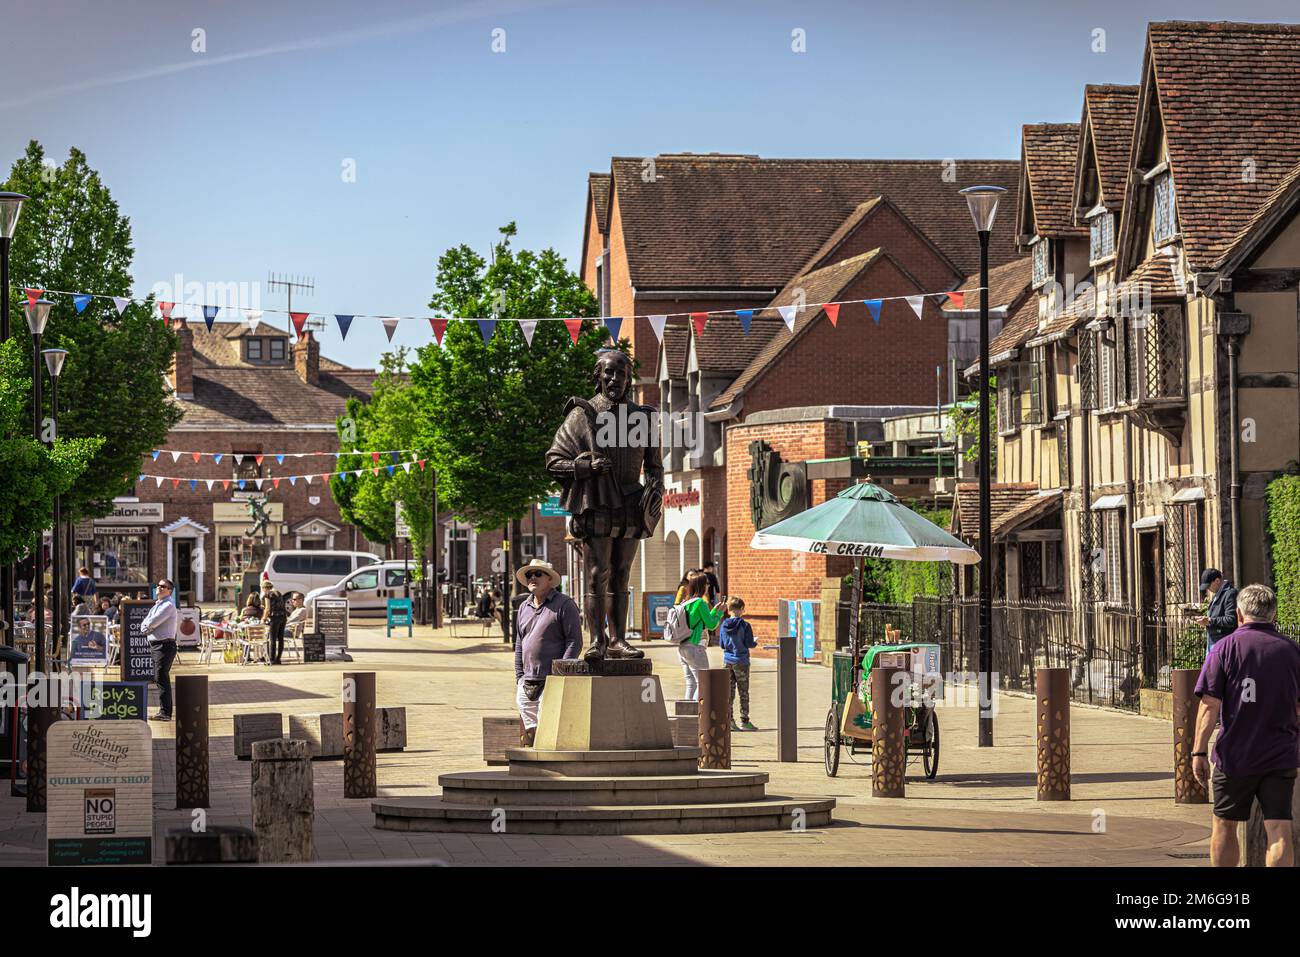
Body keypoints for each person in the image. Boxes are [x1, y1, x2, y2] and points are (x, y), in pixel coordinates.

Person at [1192, 584, 1300, 868]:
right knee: (1278, 827)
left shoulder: (1224, 649)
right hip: (1280, 754)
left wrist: (1198, 752)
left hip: (1235, 755)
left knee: (1224, 824)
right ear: (1274, 616)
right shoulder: (1292, 651)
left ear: (1239, 615)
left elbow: (1209, 706)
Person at [512, 559, 581, 747]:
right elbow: (520, 642)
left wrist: (561, 672)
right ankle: (535, 758)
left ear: (550, 579)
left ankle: (546, 759)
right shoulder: (524, 607)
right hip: (527, 679)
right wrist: (519, 675)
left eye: (538, 574)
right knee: (530, 726)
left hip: (552, 678)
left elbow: (574, 641)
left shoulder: (564, 604)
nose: (532, 578)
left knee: (548, 726)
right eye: (529, 575)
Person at [676, 571, 727, 701]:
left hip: (682, 647)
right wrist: (720, 613)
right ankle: (697, 715)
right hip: (695, 647)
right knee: (704, 683)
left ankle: (687, 716)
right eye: (707, 584)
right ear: (702, 586)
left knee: (691, 684)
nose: (708, 586)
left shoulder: (686, 603)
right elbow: (711, 625)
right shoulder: (700, 603)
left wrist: (714, 610)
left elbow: (698, 620)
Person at [141, 578, 178, 721]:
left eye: (163, 586)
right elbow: (146, 622)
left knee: (161, 678)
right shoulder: (158, 604)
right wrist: (146, 627)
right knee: (160, 678)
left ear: (170, 591)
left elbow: (152, 622)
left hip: (164, 646)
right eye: (158, 586)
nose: (159, 588)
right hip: (158, 646)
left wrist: (146, 628)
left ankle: (165, 713)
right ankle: (164, 712)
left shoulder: (168, 605)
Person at [720, 597, 758, 731]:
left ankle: (729, 720)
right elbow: (749, 643)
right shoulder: (745, 625)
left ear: (729, 610)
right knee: (743, 692)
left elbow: (722, 644)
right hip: (741, 661)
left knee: (728, 693)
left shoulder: (724, 625)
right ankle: (745, 721)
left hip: (727, 661)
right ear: (741, 609)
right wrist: (755, 642)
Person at [1194, 568, 1238, 655]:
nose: (1208, 589)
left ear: (1217, 580)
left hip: (1223, 644)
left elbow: (1231, 619)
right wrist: (1206, 621)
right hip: (1213, 642)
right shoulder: (1217, 595)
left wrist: (1210, 621)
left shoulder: (1230, 594)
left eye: (1209, 586)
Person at [260, 579, 289, 665]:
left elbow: (267, 608)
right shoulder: (278, 593)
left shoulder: (268, 594)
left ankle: (271, 659)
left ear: (265, 588)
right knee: (280, 638)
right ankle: (278, 658)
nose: (262, 590)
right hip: (283, 617)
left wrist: (263, 619)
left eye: (262, 588)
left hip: (274, 618)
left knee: (272, 639)